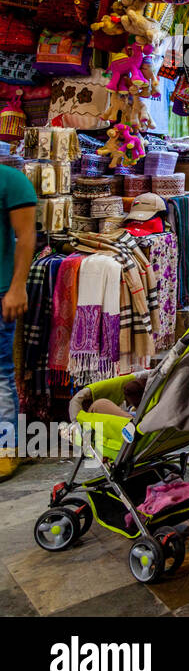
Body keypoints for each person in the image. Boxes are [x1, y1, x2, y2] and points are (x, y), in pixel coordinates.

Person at [0, 163, 36, 482]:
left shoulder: (11, 180)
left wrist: (17, 286)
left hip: (1, 291)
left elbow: (26, 236)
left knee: (0, 374)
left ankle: (4, 452)